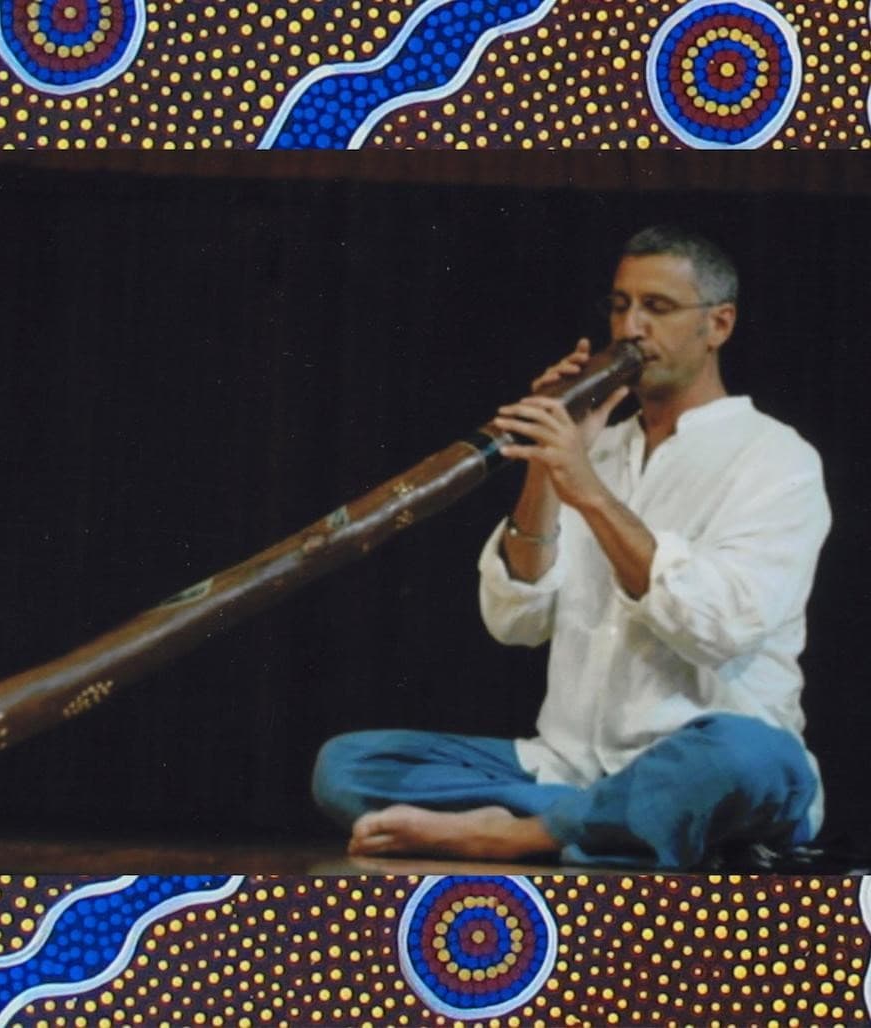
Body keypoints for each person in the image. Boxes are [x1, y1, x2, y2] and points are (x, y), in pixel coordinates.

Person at [311, 225, 831, 869]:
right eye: (620, 306)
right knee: (348, 764)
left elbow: (718, 630)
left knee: (753, 757)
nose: (631, 328)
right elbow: (518, 620)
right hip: (566, 767)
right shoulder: (595, 451)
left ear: (718, 325)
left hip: (706, 755)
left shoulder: (776, 458)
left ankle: (521, 835)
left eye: (658, 308)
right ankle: (598, 823)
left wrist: (589, 493)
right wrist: (548, 465)